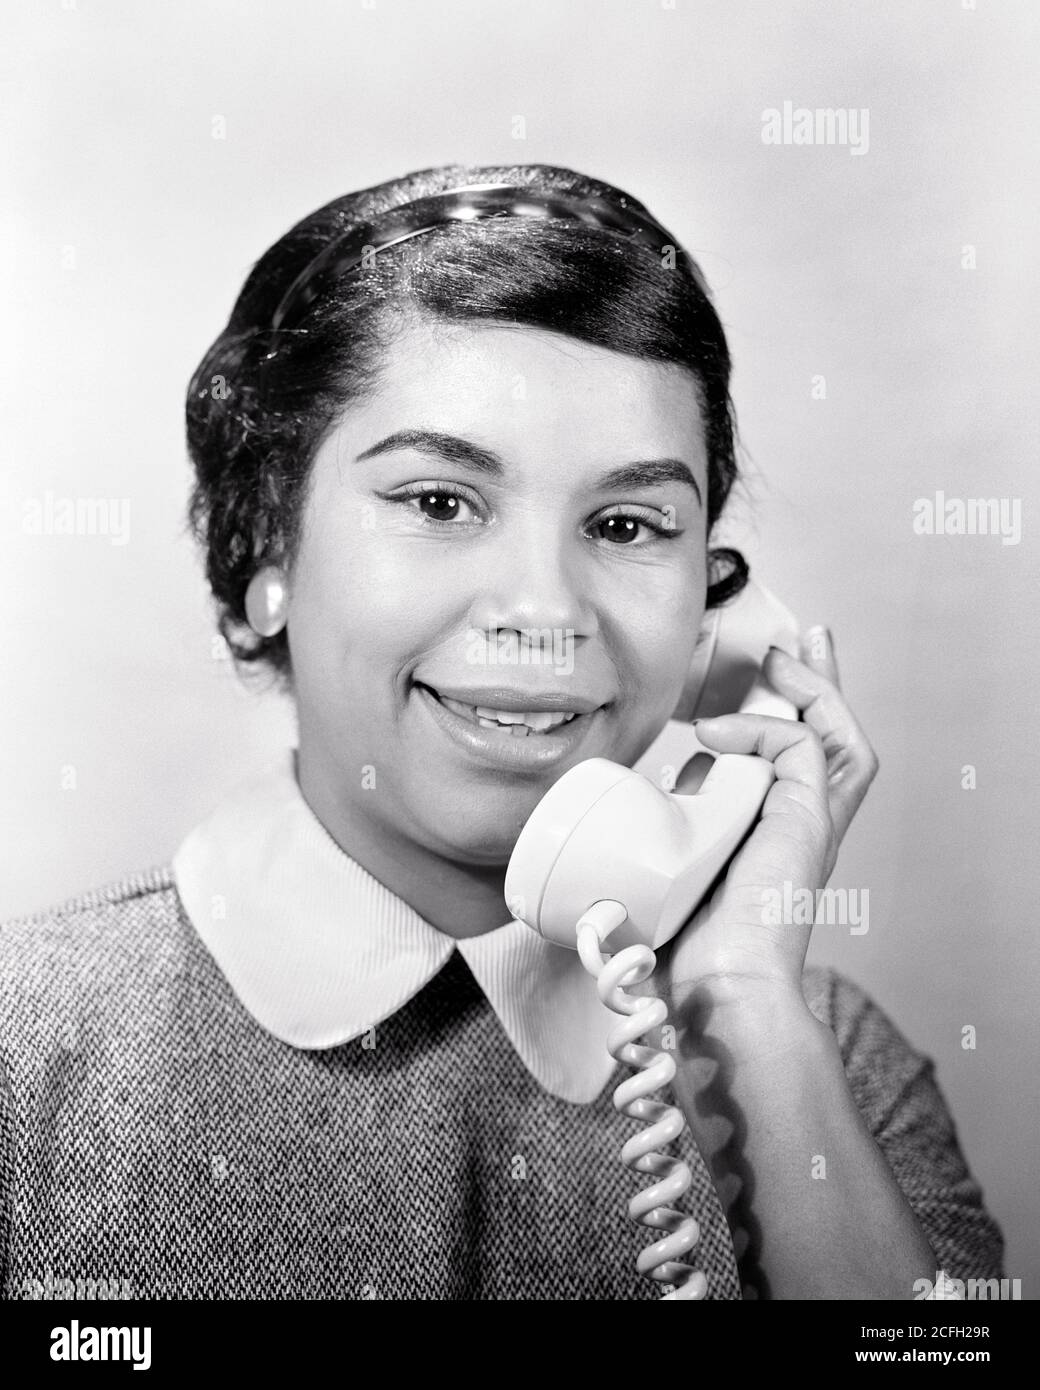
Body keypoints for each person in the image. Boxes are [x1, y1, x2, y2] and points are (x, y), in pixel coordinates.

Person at [0, 163, 1003, 1301]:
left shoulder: (831, 1062)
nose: (544, 609)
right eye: (437, 502)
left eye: (626, 524)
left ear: (710, 611)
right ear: (262, 551)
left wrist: (741, 1004)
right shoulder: (26, 1048)